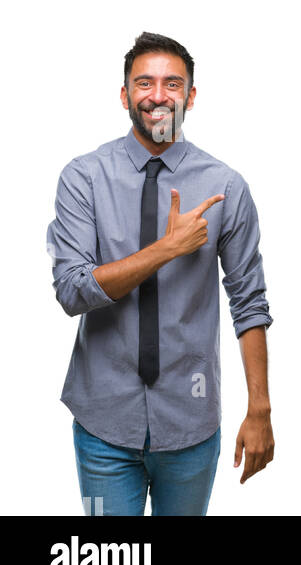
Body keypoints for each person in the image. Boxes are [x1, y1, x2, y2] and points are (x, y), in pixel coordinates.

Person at [47, 32, 275, 516]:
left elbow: (249, 302)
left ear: (190, 96)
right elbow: (72, 291)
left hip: (190, 423)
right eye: (144, 82)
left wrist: (260, 409)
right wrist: (166, 249)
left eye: (172, 83)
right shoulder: (84, 178)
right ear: (125, 94)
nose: (157, 95)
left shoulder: (224, 186)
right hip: (103, 423)